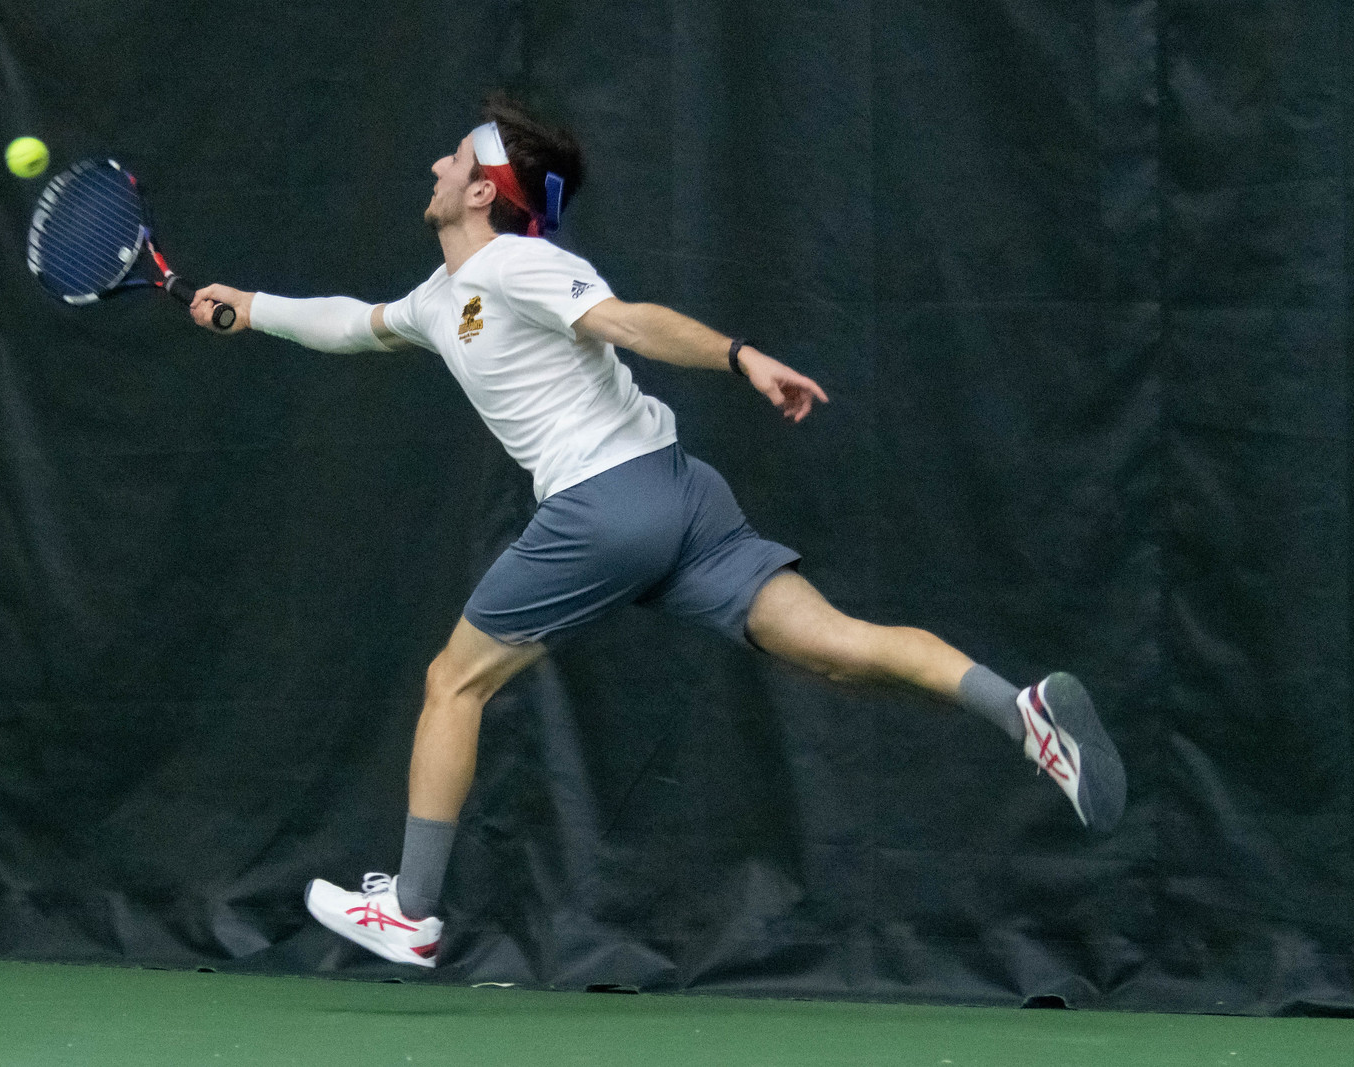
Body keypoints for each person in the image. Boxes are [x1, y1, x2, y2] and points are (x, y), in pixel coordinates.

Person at [189, 95, 1126, 970]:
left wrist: (738, 354)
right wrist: (252, 309)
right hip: (683, 497)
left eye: (454, 155)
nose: (433, 162)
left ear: (483, 189)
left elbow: (625, 321)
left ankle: (412, 909)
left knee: (453, 680)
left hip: (603, 504)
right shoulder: (448, 296)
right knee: (837, 647)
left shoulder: (519, 264)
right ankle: (1024, 712)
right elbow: (357, 324)